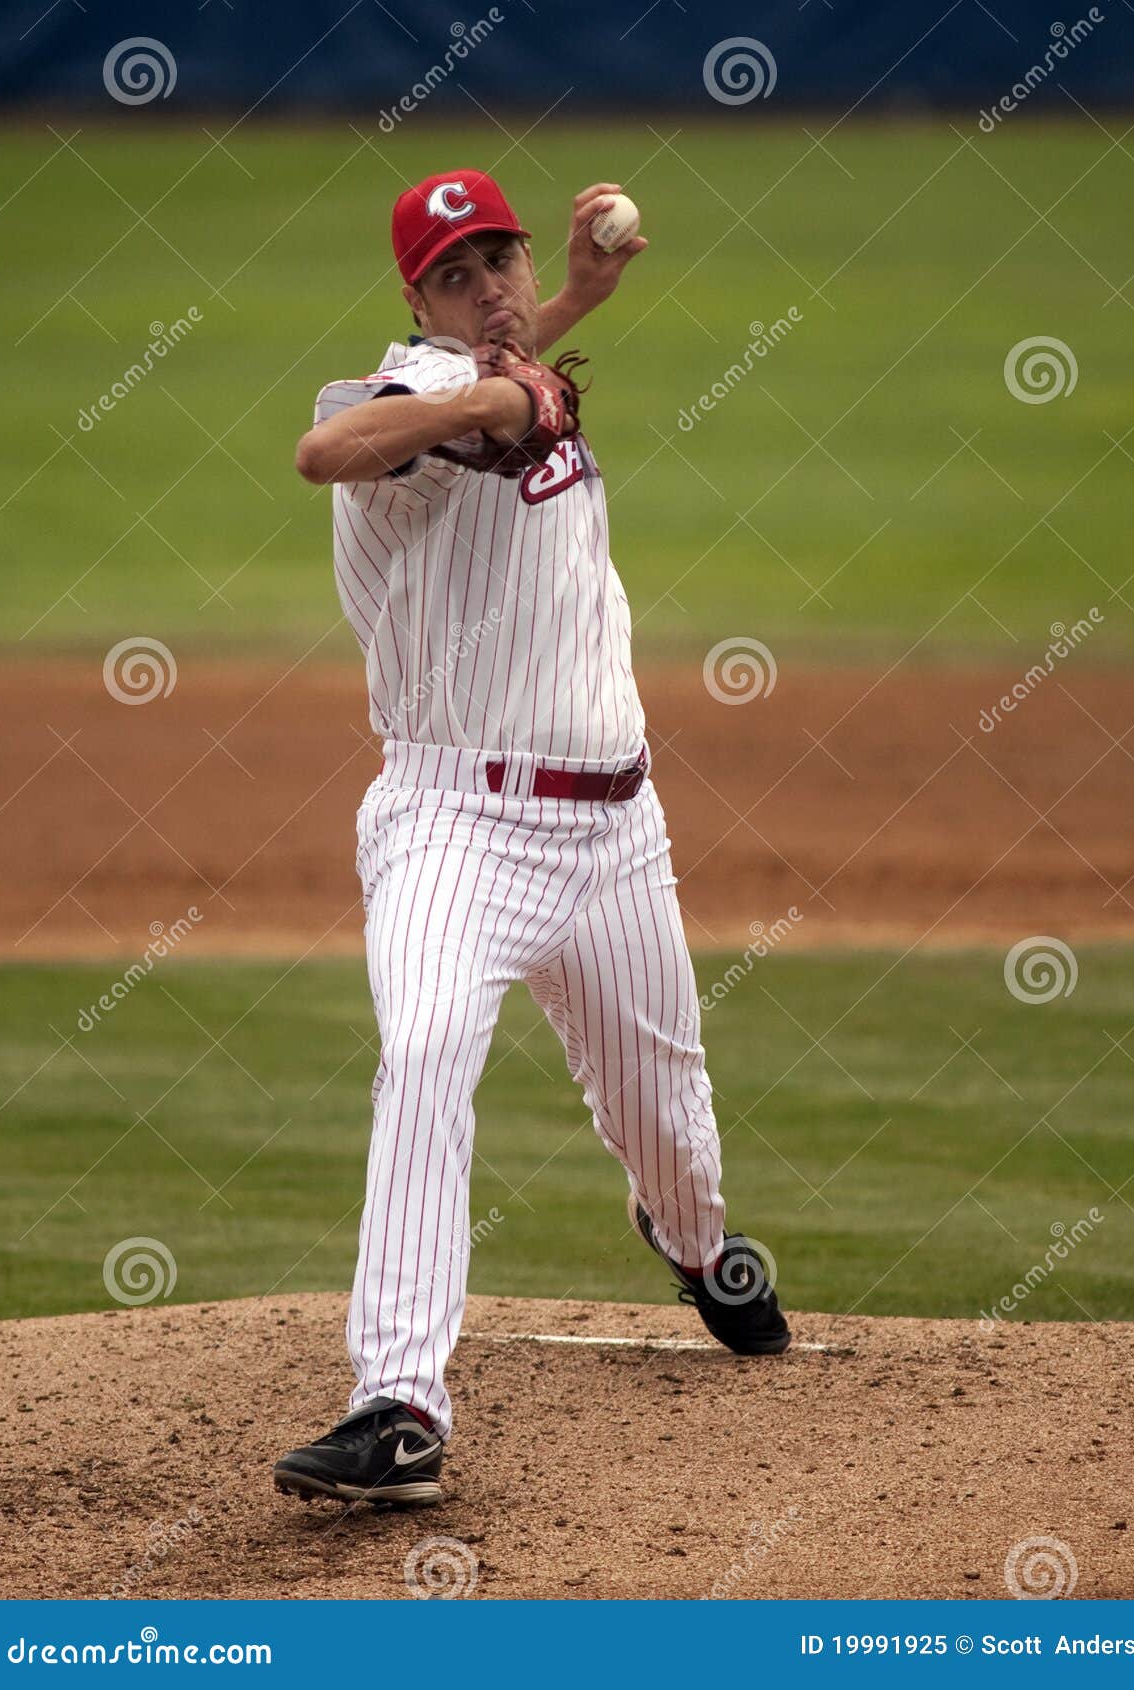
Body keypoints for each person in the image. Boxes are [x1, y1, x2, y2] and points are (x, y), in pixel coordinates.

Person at [274, 170, 789, 1509]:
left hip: (617, 834)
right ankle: (398, 1402)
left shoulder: (512, 361)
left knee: (670, 1127)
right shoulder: (408, 395)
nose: (491, 287)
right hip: (457, 827)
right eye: (457, 274)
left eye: (499, 259)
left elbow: (509, 377)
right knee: (427, 1051)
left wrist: (571, 306)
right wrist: (498, 395)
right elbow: (327, 453)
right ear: (418, 301)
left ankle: (689, 1242)